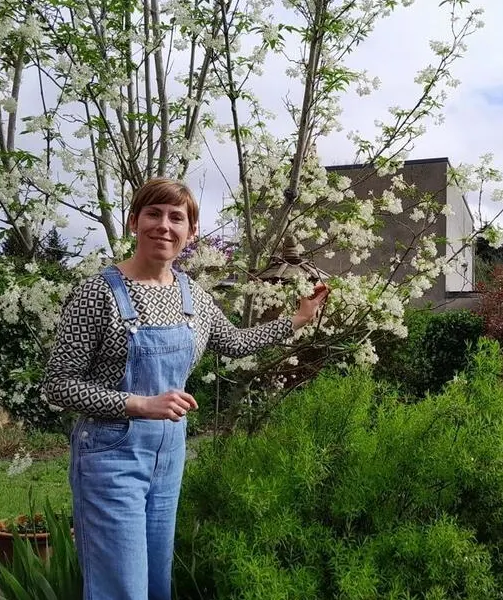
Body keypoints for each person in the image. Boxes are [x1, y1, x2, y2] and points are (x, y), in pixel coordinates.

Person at [42, 177, 328, 600]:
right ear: (133, 222)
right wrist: (138, 403)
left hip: (168, 456)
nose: (164, 225)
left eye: (177, 217)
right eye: (153, 214)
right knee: (122, 589)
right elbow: (57, 385)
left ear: (190, 233)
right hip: (110, 458)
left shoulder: (192, 294)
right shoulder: (96, 293)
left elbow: (234, 343)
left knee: (156, 584)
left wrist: (297, 320)